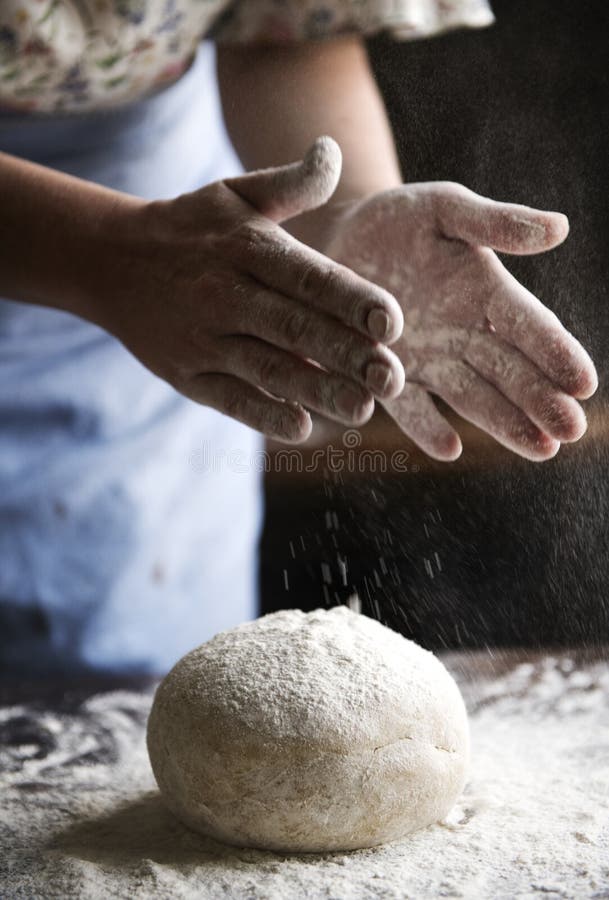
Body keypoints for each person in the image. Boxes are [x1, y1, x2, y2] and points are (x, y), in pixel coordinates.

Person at [0, 0, 597, 678]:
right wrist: (108, 256)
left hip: (188, 286)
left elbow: (281, 30)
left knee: (145, 700)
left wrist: (343, 212)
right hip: (131, 258)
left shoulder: (184, 280)